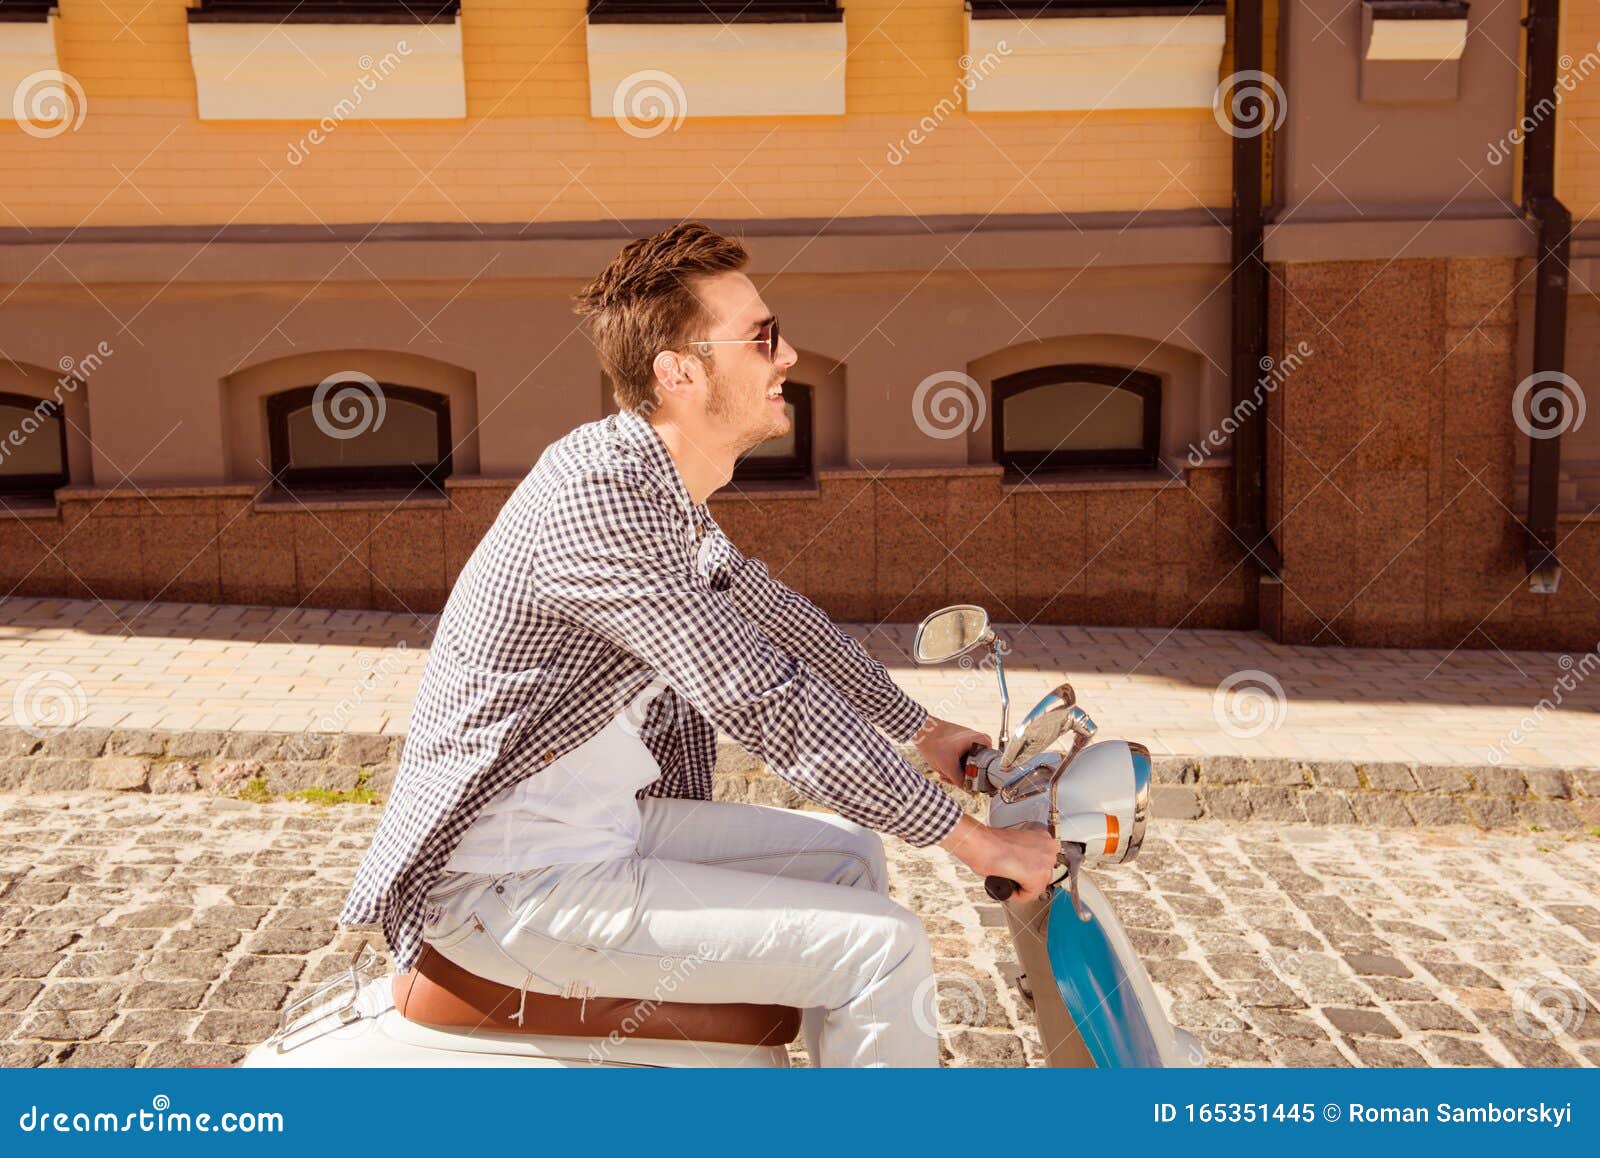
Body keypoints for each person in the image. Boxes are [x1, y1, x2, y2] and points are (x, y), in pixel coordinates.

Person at [337, 221, 1058, 1066]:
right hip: (509, 886)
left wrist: (922, 731)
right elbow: (761, 695)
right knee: (884, 946)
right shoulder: (600, 504)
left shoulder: (651, 486)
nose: (787, 354)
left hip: (591, 835)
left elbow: (772, 614)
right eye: (762, 338)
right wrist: (978, 844)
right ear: (678, 372)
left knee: (851, 858)